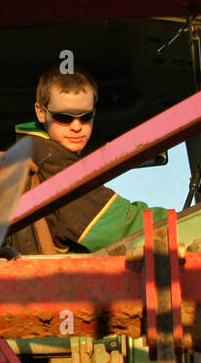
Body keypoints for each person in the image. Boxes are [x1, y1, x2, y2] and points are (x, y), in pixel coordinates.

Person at [10, 65, 167, 253]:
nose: (77, 126)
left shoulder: (39, 151)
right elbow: (113, 225)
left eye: (85, 117)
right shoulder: (50, 157)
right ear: (41, 112)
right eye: (63, 117)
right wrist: (184, 219)